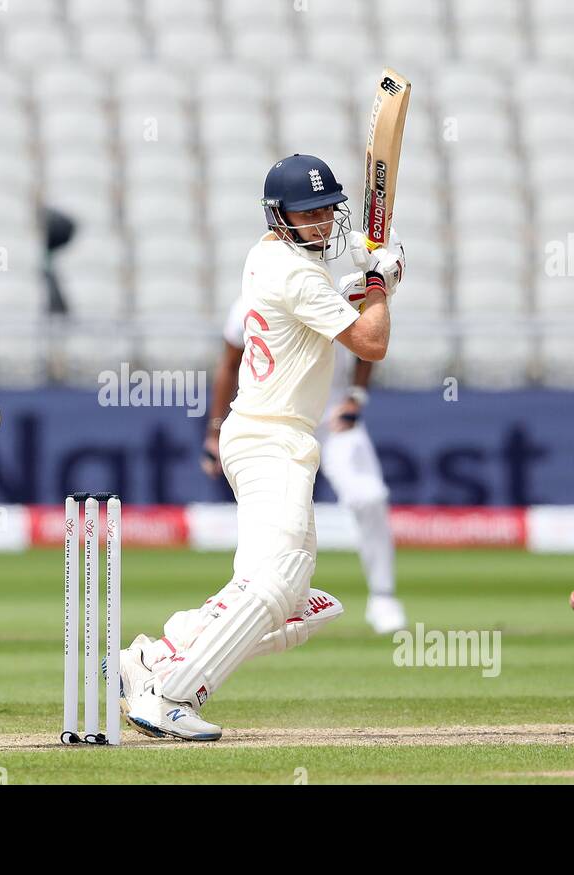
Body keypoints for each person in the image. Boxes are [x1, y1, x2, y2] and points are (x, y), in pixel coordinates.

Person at [121, 154, 404, 740]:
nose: (323, 223)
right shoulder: (296, 273)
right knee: (273, 584)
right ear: (280, 218)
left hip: (271, 436)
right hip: (270, 440)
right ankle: (172, 693)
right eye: (309, 213)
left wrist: (375, 272)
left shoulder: (273, 254)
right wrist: (380, 280)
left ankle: (158, 654)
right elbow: (371, 342)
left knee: (296, 599)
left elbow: (332, 294)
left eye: (329, 210)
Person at [203, 306, 406, 634]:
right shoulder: (248, 299)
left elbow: (368, 339)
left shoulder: (325, 288)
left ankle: (383, 597)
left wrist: (355, 396)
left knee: (368, 497)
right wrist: (214, 431)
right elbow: (229, 363)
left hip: (331, 415)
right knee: (278, 518)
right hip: (279, 419)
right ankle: (261, 602)